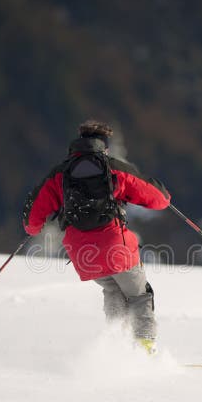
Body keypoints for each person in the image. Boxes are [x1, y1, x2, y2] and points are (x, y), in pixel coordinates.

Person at [22, 120, 171, 353]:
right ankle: (144, 346)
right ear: (104, 146)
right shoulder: (112, 168)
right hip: (115, 246)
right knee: (138, 295)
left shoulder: (60, 175)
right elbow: (158, 199)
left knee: (112, 289)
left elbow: (32, 218)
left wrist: (34, 228)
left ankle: (115, 344)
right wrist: (164, 194)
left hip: (82, 253)